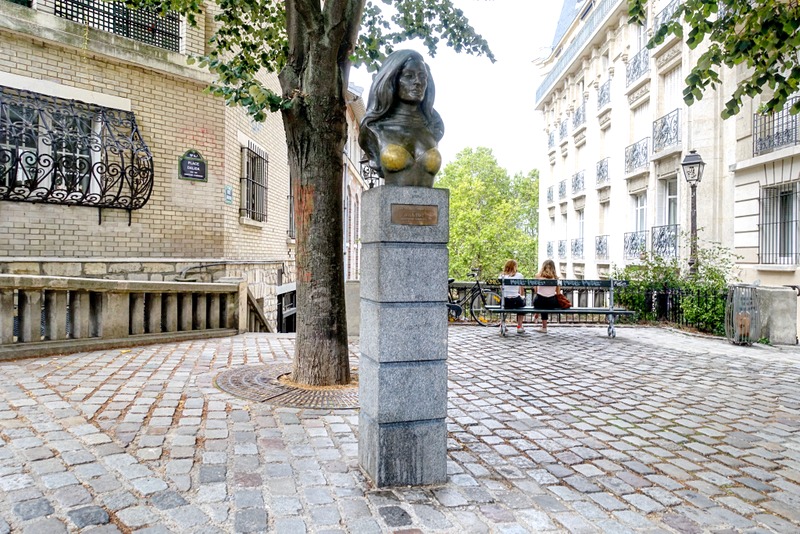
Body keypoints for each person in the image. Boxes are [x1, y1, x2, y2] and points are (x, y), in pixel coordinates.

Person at [359, 49, 445, 188]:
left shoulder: (433, 129)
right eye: (409, 76)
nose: (418, 82)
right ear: (392, 81)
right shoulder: (374, 130)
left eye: (422, 76)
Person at [532, 259, 561, 333]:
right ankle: (544, 327)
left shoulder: (538, 276)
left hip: (539, 301)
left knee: (541, 301)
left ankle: (539, 319)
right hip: (552, 302)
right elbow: (558, 292)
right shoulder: (556, 278)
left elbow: (535, 290)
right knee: (546, 301)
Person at [499, 259, 526, 334]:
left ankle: (502, 324)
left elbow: (501, 289)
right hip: (516, 300)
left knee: (502, 306)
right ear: (515, 267)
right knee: (522, 305)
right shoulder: (519, 275)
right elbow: (522, 289)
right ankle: (519, 326)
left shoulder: (502, 276)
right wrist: (521, 296)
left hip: (505, 300)